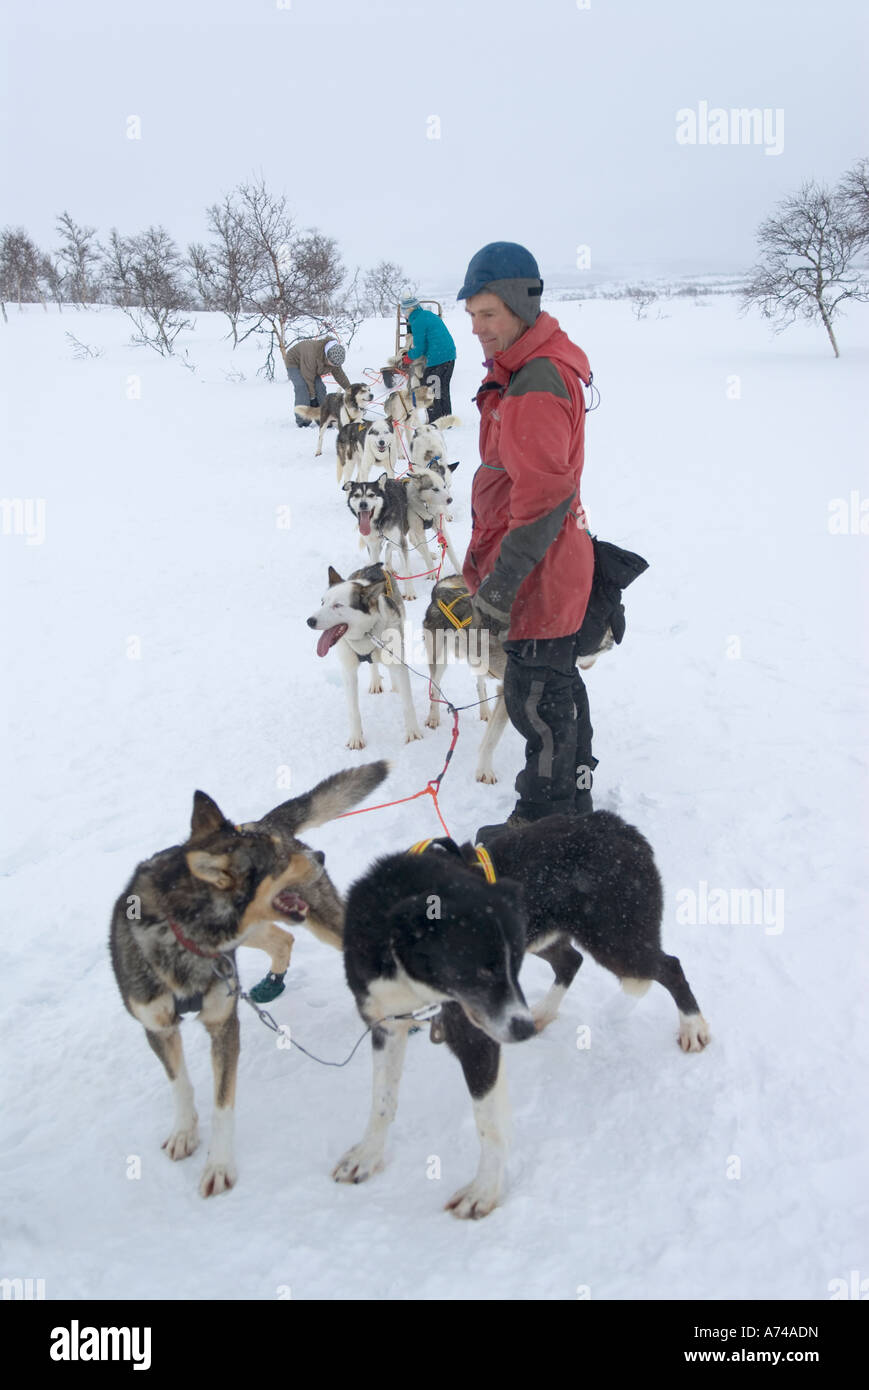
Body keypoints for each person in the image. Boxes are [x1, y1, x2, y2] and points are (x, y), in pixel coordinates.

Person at [457, 242, 596, 843]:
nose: (478, 329)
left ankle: (543, 827)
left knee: (535, 702)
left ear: (518, 304)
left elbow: (541, 500)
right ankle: (576, 794)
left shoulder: (535, 383)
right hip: (545, 565)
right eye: (471, 317)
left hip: (538, 575)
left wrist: (499, 586)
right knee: (556, 686)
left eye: (488, 314)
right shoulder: (522, 370)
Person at [399, 297, 456, 422]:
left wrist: (408, 357)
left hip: (438, 358)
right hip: (449, 355)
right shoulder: (427, 315)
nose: (404, 315)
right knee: (443, 388)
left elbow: (420, 348)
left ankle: (435, 420)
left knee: (430, 388)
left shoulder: (418, 321)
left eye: (404, 311)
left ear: (409, 310)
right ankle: (446, 418)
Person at [285, 336, 351, 426]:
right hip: (295, 363)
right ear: (327, 356)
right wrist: (313, 399)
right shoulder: (312, 353)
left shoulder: (335, 356)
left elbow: (340, 375)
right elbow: (308, 378)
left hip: (312, 367)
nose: (334, 366)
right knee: (302, 388)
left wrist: (350, 391)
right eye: (332, 364)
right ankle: (303, 420)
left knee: (320, 388)